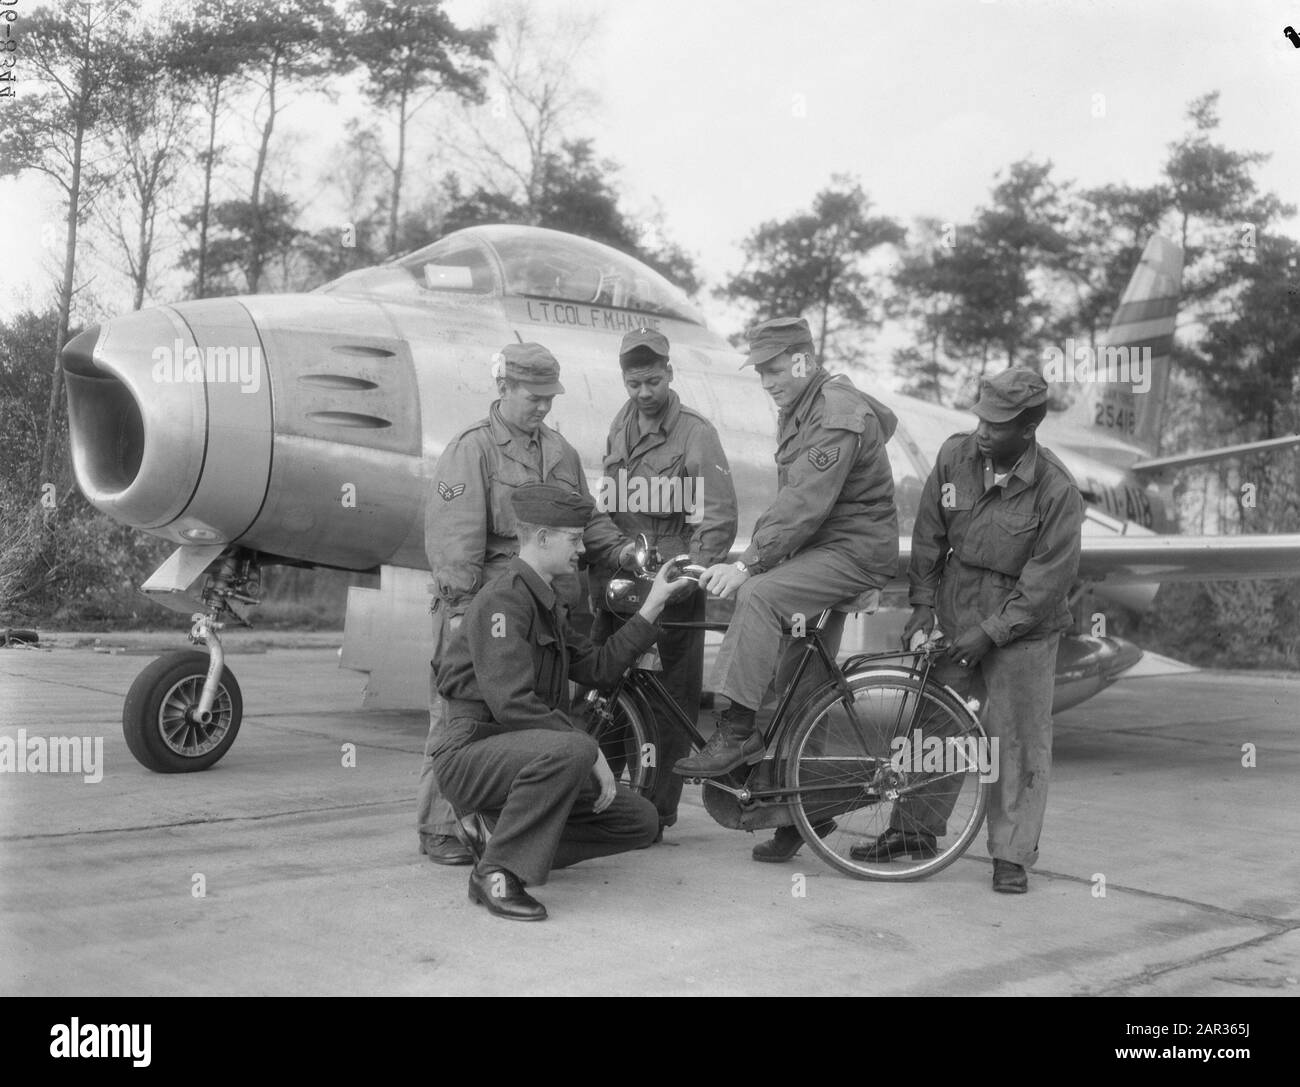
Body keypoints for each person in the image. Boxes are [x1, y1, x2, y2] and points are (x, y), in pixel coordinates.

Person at [673, 317, 900, 863]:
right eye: (761, 372)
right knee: (804, 684)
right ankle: (803, 815)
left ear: (803, 359)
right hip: (819, 549)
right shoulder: (799, 409)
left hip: (849, 551)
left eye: (775, 369)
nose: (767, 381)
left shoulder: (837, 412)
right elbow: (796, 504)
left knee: (758, 597)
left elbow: (805, 501)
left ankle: (734, 730)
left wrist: (751, 564)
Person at [851, 367, 1083, 894]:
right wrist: (922, 606)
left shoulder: (1057, 489)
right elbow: (929, 535)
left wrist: (992, 631)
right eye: (980, 416)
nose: (983, 431)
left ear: (1027, 429)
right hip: (957, 609)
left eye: (997, 424)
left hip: (1024, 627)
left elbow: (1047, 583)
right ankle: (912, 833)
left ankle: (1011, 854)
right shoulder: (954, 456)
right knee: (933, 729)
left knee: (1015, 740)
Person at [431, 484, 693, 921]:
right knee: (575, 747)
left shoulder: (546, 603)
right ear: (542, 538)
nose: (582, 547)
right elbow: (513, 704)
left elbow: (600, 667)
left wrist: (653, 605)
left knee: (640, 821)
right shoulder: (503, 601)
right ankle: (496, 872)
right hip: (472, 753)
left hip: (525, 757)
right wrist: (589, 752)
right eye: (573, 538)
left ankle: (503, 839)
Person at [416, 342, 632, 866]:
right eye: (532, 396)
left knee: (535, 715)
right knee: (461, 714)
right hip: (486, 606)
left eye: (548, 397)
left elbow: (584, 518)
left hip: (547, 614)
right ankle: (440, 826)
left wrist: (621, 549)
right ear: (503, 388)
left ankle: (510, 823)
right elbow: (454, 540)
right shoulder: (473, 449)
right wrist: (466, 615)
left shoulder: (560, 452)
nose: (542, 406)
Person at [589, 327, 738, 836]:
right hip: (624, 574)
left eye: (653, 381)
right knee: (608, 687)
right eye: (634, 382)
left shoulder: (697, 432)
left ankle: (659, 810)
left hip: (672, 579)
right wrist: (615, 550)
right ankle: (603, 798)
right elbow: (609, 500)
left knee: (668, 696)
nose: (643, 392)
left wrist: (692, 572)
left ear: (670, 374)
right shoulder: (620, 425)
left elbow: (716, 515)